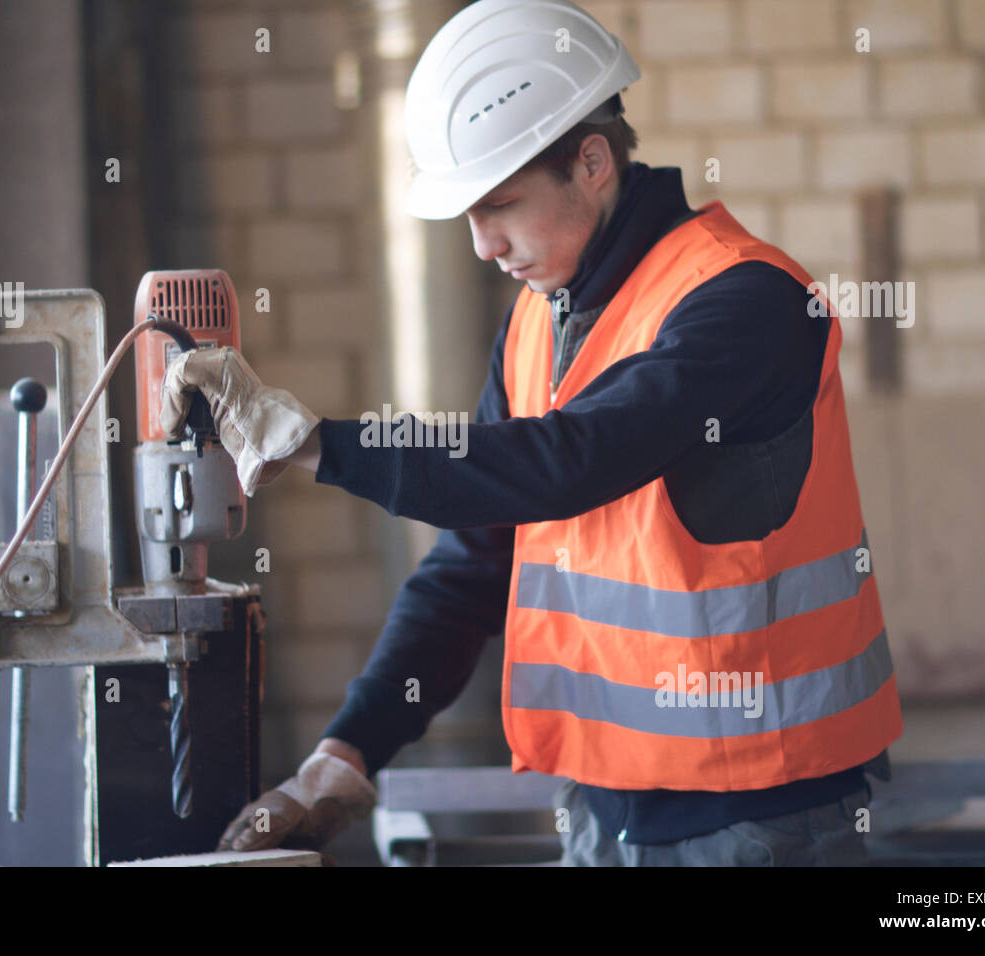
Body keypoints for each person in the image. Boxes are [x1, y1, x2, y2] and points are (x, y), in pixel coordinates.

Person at [159, 0, 903, 866]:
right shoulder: (538, 325)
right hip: (601, 807)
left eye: (500, 205)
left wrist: (315, 442)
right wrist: (346, 754)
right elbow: (476, 560)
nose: (481, 246)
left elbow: (570, 461)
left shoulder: (747, 302)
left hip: (759, 814)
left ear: (592, 162)